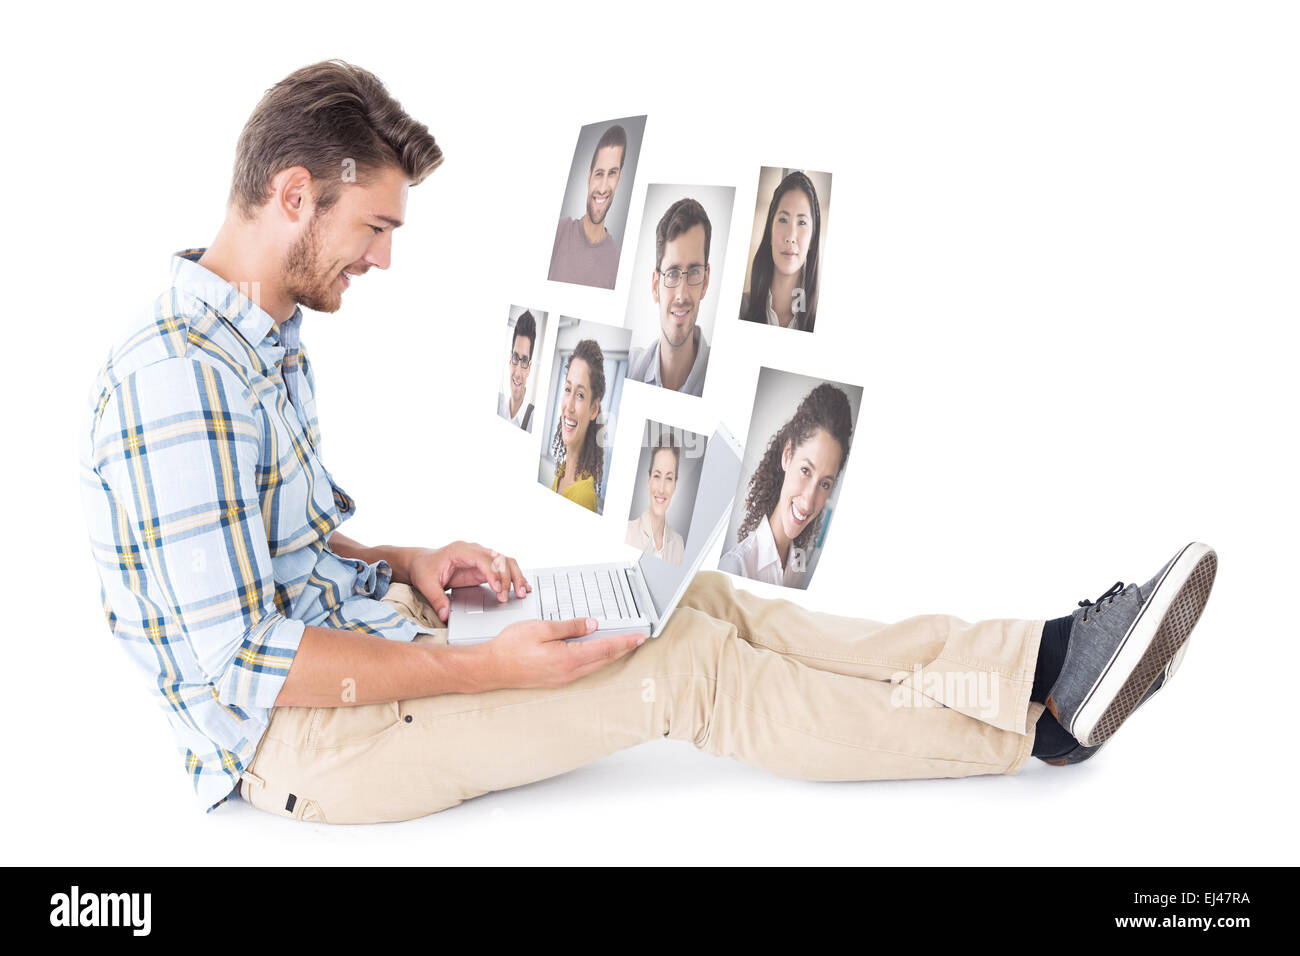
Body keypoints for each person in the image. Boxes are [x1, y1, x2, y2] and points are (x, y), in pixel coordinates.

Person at [81, 61, 1220, 825]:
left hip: (368, 638)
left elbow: (262, 557)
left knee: (706, 605)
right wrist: (487, 664)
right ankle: (1038, 723)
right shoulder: (179, 376)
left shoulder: (254, 339)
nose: (382, 258)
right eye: (375, 226)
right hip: (304, 743)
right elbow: (245, 664)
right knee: (688, 671)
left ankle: (1048, 653)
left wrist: (406, 562)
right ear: (294, 194)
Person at [720, 383, 851, 589]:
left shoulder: (798, 566)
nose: (808, 502)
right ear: (787, 455)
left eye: (825, 484)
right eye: (806, 470)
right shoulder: (735, 567)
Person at [627, 198, 713, 396]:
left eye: (694, 272)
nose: (681, 295)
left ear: (705, 281)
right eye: (673, 273)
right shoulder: (628, 368)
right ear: (656, 285)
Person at [739, 170, 822, 333]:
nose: (791, 236)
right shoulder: (740, 308)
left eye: (802, 222)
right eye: (783, 220)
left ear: (812, 238)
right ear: (770, 231)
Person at [547, 124, 626, 290]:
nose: (603, 187)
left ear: (619, 178)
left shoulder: (619, 264)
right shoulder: (558, 232)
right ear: (589, 177)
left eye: (612, 173)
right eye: (599, 174)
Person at [549, 338, 606, 513]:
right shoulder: (562, 471)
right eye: (568, 390)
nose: (569, 406)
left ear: (594, 409)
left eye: (580, 395)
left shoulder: (583, 497)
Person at [625, 433, 686, 565]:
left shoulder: (678, 544)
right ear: (649, 480)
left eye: (669, 478)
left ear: (675, 485)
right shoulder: (628, 532)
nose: (661, 489)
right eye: (657, 476)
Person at [497, 310, 537, 430]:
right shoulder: (498, 407)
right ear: (510, 360)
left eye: (524, 361)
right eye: (515, 357)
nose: (518, 372)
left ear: (529, 368)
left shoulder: (533, 422)